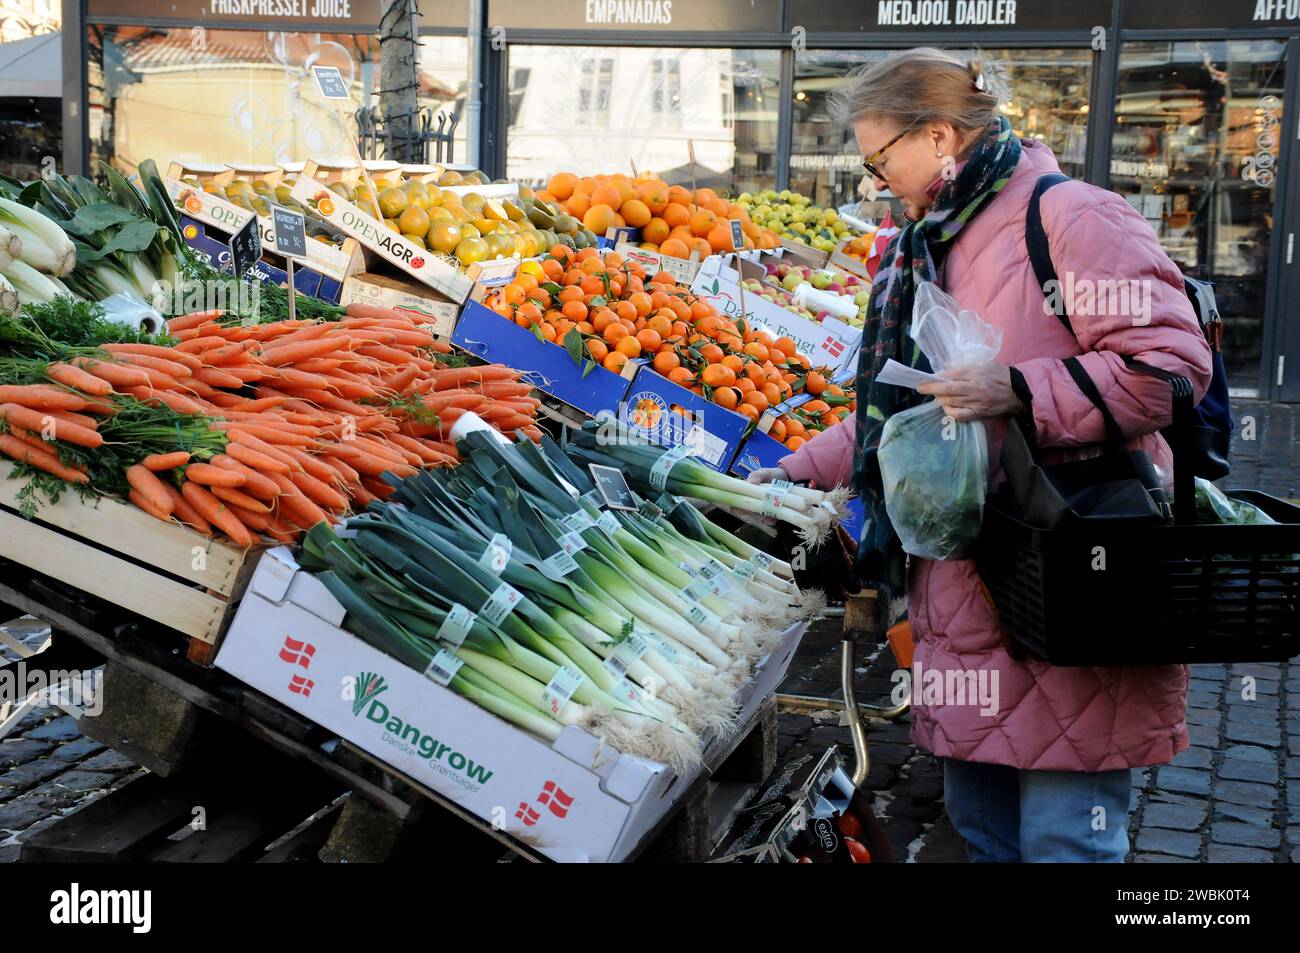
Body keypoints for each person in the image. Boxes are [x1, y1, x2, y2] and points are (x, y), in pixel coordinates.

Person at [750, 48, 1212, 862]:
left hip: (1070, 576)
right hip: (965, 596)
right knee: (983, 833)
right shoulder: (924, 243)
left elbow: (1169, 369)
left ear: (938, 136)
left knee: (1065, 838)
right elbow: (902, 413)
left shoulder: (1073, 216)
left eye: (879, 157)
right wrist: (789, 477)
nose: (872, 179)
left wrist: (1020, 389)